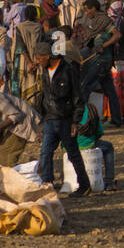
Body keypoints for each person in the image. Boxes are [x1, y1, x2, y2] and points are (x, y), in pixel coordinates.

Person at [35, 40, 92, 194]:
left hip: (66, 120)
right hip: (50, 119)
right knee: (46, 153)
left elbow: (78, 97)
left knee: (73, 154)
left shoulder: (68, 70)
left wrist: (75, 121)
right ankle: (48, 185)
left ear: (47, 56)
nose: (37, 61)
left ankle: (84, 185)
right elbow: (45, 97)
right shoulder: (45, 71)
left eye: (39, 58)